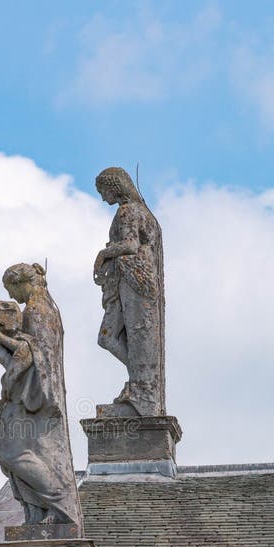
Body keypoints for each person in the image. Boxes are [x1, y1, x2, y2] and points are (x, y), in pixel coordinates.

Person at [0, 263, 83, 528]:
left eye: (12, 289)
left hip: (35, 397)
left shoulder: (37, 309)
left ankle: (60, 504)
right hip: (29, 392)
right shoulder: (44, 307)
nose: (13, 297)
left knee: (15, 455)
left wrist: (1, 339)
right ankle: (39, 512)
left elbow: (34, 352)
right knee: (19, 454)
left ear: (22, 283)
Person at [94, 166, 166, 416]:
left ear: (114, 187)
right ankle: (141, 381)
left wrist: (103, 253)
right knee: (107, 337)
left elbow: (131, 244)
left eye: (103, 191)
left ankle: (143, 389)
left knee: (139, 336)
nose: (103, 198)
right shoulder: (140, 211)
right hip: (128, 279)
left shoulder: (128, 210)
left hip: (135, 278)